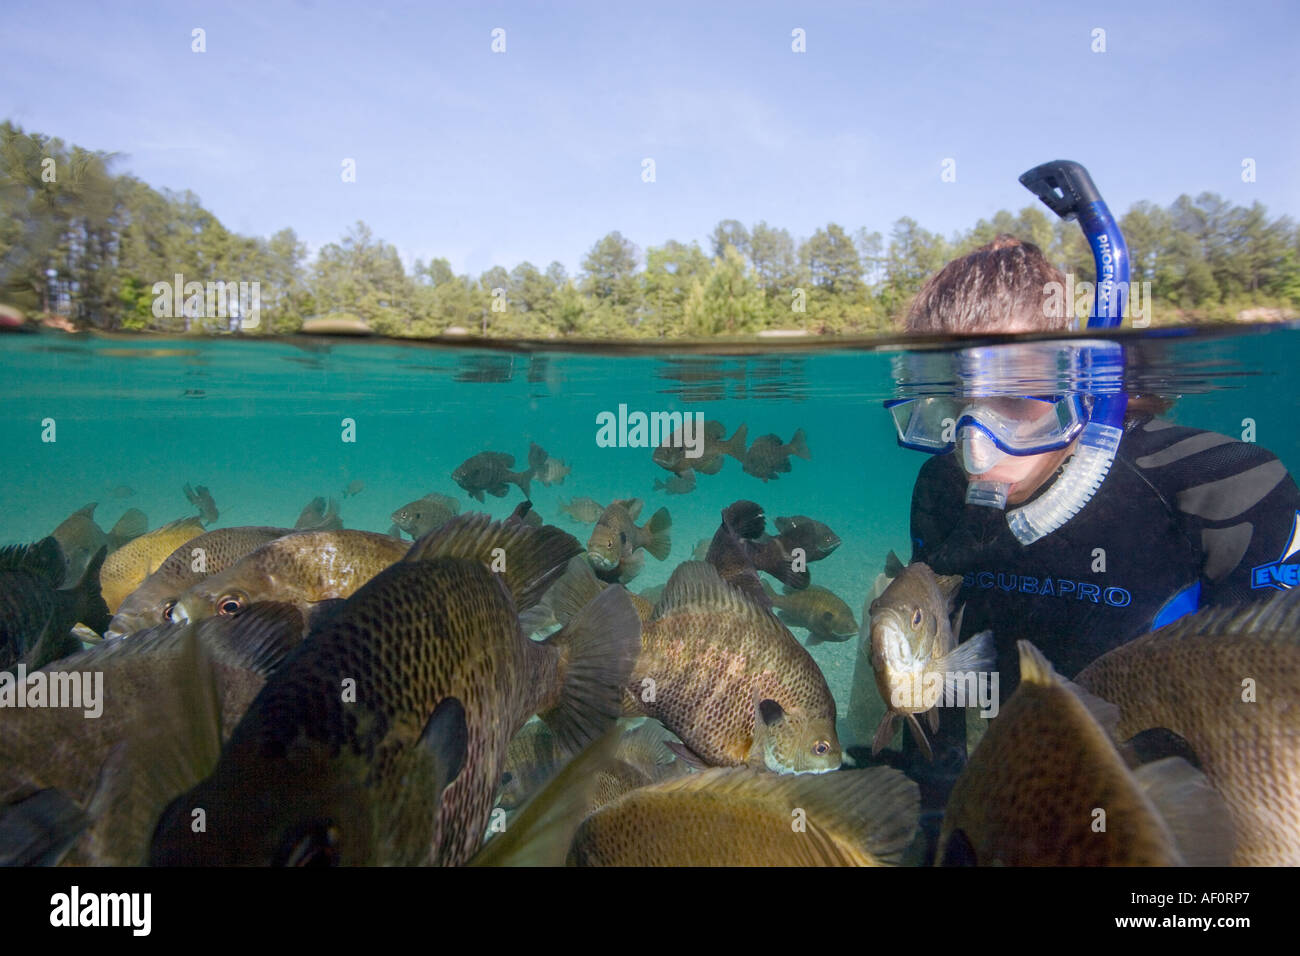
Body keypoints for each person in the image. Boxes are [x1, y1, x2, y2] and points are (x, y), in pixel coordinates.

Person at [888, 234, 1300, 858]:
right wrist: (941, 809)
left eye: (1016, 401)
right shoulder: (941, 488)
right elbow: (939, 666)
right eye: (954, 408)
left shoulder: (1223, 486)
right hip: (1029, 800)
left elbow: (1275, 705)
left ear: (1081, 388)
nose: (976, 450)